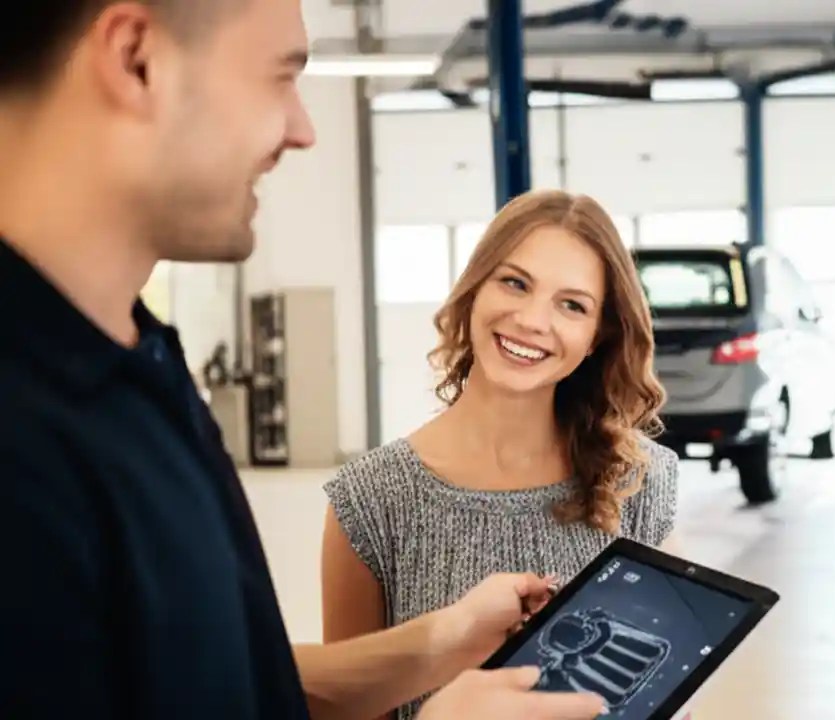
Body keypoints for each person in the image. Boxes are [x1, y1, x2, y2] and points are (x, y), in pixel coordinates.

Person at [0, 1, 604, 719]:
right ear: (138, 59)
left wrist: (441, 641)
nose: (303, 129)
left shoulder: (136, 363)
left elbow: (214, 677)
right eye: (279, 78)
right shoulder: (24, 445)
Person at [320, 189, 681, 720]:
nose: (533, 320)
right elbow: (340, 710)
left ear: (596, 336)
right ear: (475, 287)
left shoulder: (641, 481)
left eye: (572, 305)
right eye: (514, 282)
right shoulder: (371, 498)